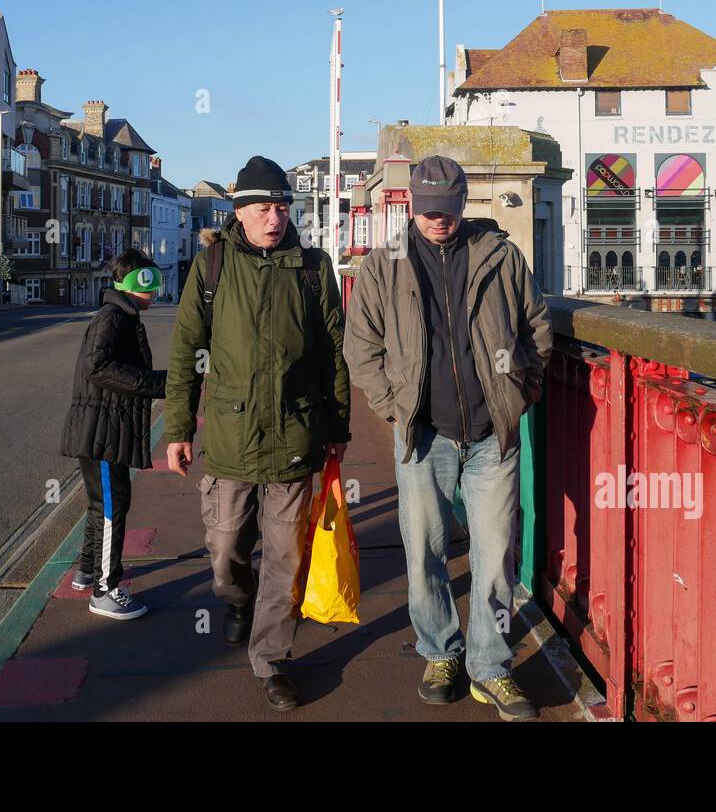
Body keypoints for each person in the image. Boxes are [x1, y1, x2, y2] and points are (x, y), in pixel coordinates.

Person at [344, 155, 552, 721]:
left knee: (494, 556)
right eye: (428, 209)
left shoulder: (500, 255)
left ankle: (490, 666)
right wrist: (392, 406)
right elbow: (360, 347)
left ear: (463, 203)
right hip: (424, 434)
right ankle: (441, 653)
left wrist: (522, 390)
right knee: (425, 553)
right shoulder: (384, 264)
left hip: (491, 433)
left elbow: (536, 327)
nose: (438, 220)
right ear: (413, 204)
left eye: (447, 209)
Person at [164, 155, 350, 711]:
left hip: (295, 434)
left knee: (287, 557)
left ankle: (271, 660)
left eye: (281, 207)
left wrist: (337, 427)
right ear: (239, 211)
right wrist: (178, 428)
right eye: (264, 208)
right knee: (225, 550)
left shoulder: (313, 268)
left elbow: (333, 354)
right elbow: (186, 353)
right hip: (229, 436)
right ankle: (237, 600)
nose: (275, 218)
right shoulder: (213, 265)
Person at [59, 249, 167, 619]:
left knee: (101, 503)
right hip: (105, 433)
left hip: (104, 430)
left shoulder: (121, 315)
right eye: (149, 282)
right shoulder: (113, 317)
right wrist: (159, 383)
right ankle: (105, 590)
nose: (155, 291)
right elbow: (99, 367)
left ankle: (87, 570)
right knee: (112, 506)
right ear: (134, 282)